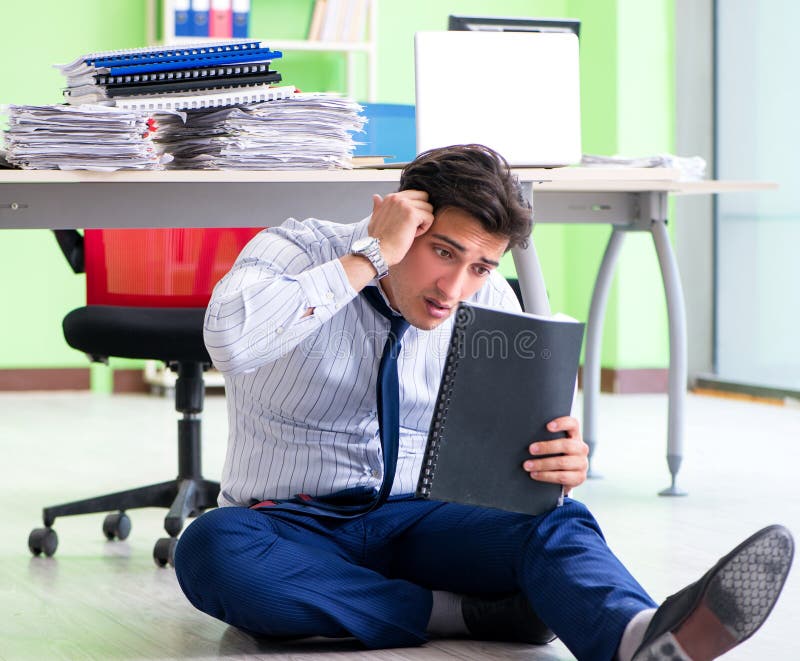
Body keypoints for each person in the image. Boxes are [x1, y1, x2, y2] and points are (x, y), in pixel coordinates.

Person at [174, 144, 794, 661]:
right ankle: (460, 614)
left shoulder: (488, 297)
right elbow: (229, 341)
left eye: (479, 266)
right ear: (400, 217)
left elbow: (511, 459)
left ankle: (636, 638)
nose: (454, 289)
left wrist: (554, 464)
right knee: (211, 551)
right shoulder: (296, 252)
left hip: (419, 521)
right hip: (287, 523)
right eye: (443, 252)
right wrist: (371, 257)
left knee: (554, 520)